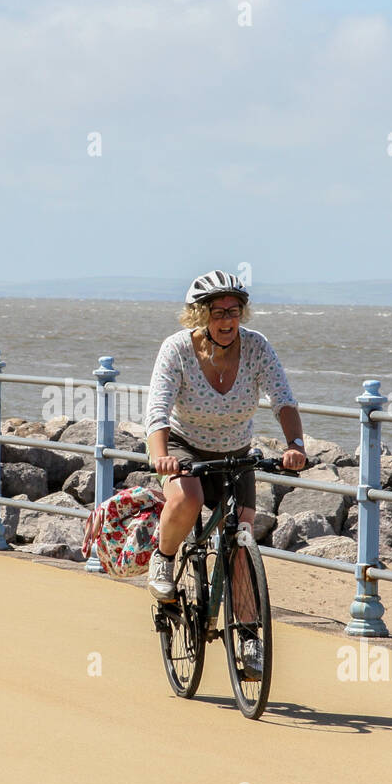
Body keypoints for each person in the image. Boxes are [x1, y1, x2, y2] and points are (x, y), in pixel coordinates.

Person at [143, 270, 307, 671]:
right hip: (185, 446)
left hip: (235, 451)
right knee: (188, 497)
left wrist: (295, 446)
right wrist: (161, 455)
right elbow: (158, 410)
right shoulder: (177, 349)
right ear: (200, 315)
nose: (228, 319)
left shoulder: (256, 348)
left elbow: (283, 399)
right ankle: (163, 558)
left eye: (235, 310)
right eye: (218, 312)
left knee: (240, 540)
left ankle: (249, 640)